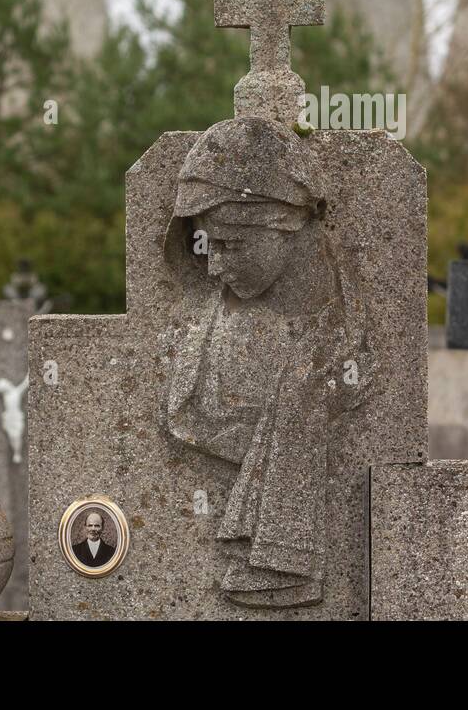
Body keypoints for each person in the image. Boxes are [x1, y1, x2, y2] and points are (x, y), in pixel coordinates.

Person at [162, 116, 368, 608]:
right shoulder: (200, 333)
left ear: (286, 225)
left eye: (231, 244)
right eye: (207, 245)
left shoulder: (342, 354)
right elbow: (190, 416)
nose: (213, 265)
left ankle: (283, 561)